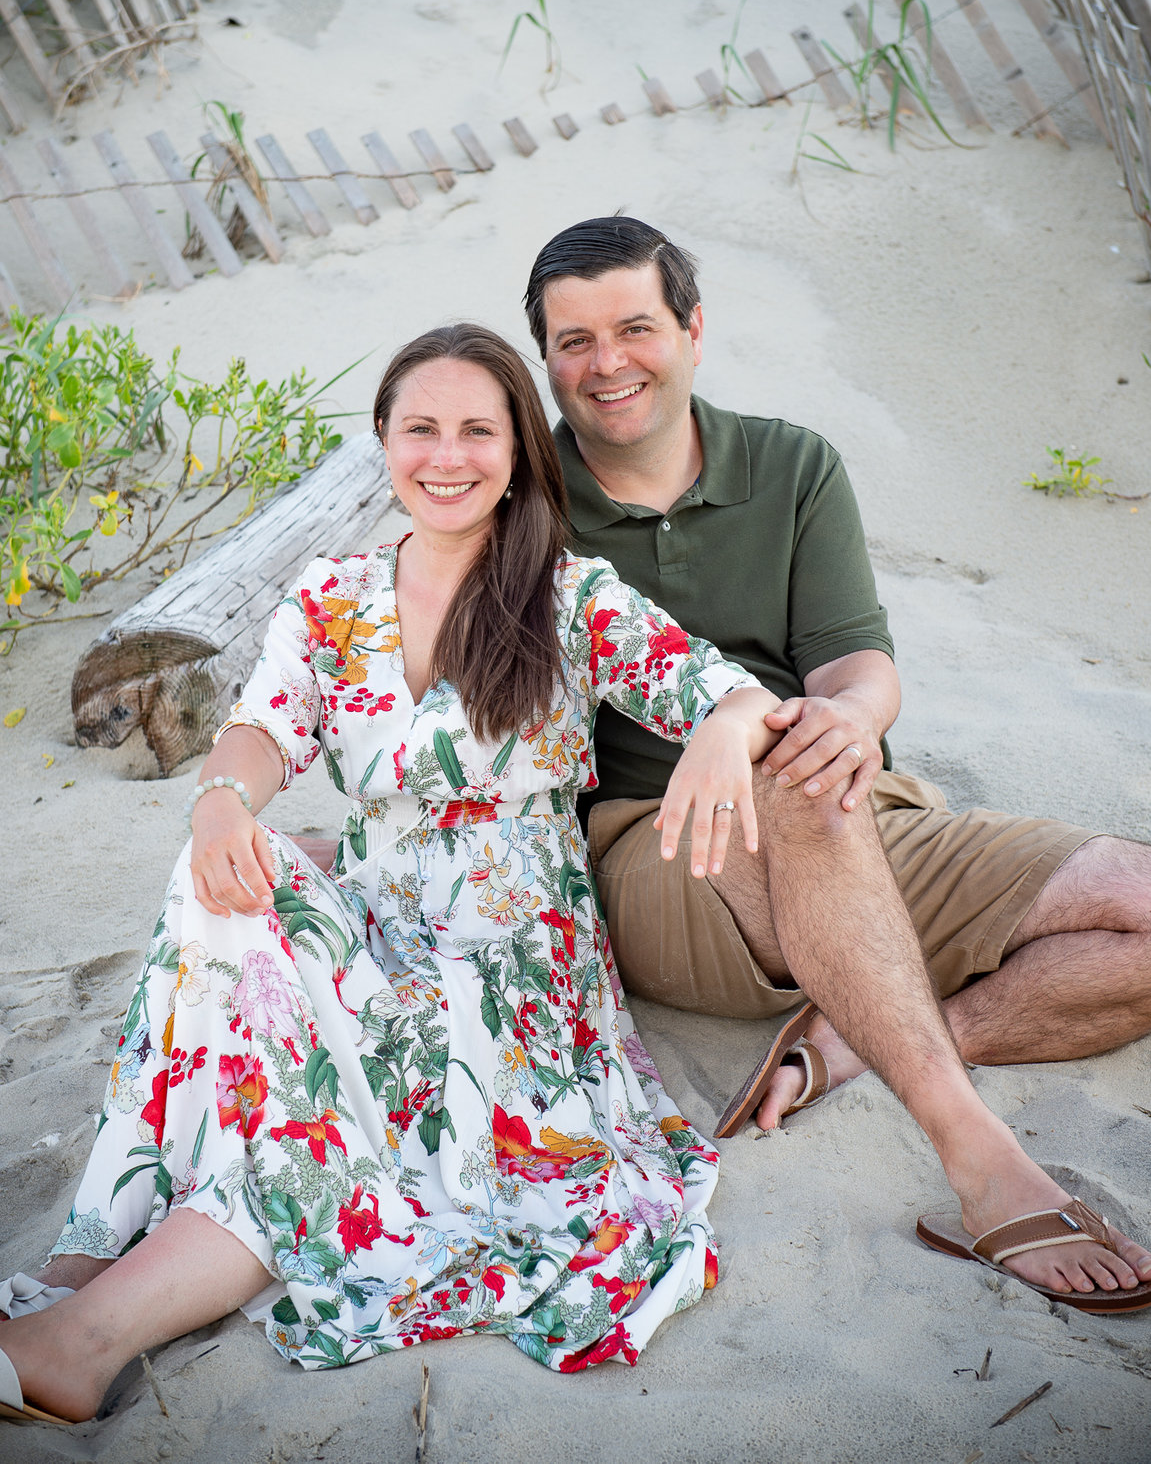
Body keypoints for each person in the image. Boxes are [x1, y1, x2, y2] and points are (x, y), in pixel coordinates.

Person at [0, 324, 780, 1426]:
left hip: (508, 969)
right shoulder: (334, 595)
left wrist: (718, 730)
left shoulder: (569, 595)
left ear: (517, 450)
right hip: (374, 921)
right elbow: (261, 730)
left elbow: (730, 695)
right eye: (421, 427)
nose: (447, 455)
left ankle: (85, 1316)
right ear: (382, 440)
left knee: (316, 1086)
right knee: (217, 882)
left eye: (477, 429)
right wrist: (222, 796)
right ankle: (85, 1276)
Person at [523, 213, 1151, 1311]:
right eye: (572, 341)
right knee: (791, 761)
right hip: (660, 852)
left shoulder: (790, 463)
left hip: (853, 812)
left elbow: (855, 660)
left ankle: (866, 1038)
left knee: (1131, 902)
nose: (605, 362)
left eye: (632, 325)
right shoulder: (525, 504)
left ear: (692, 327)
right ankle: (977, 1155)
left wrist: (853, 720)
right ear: (545, 360)